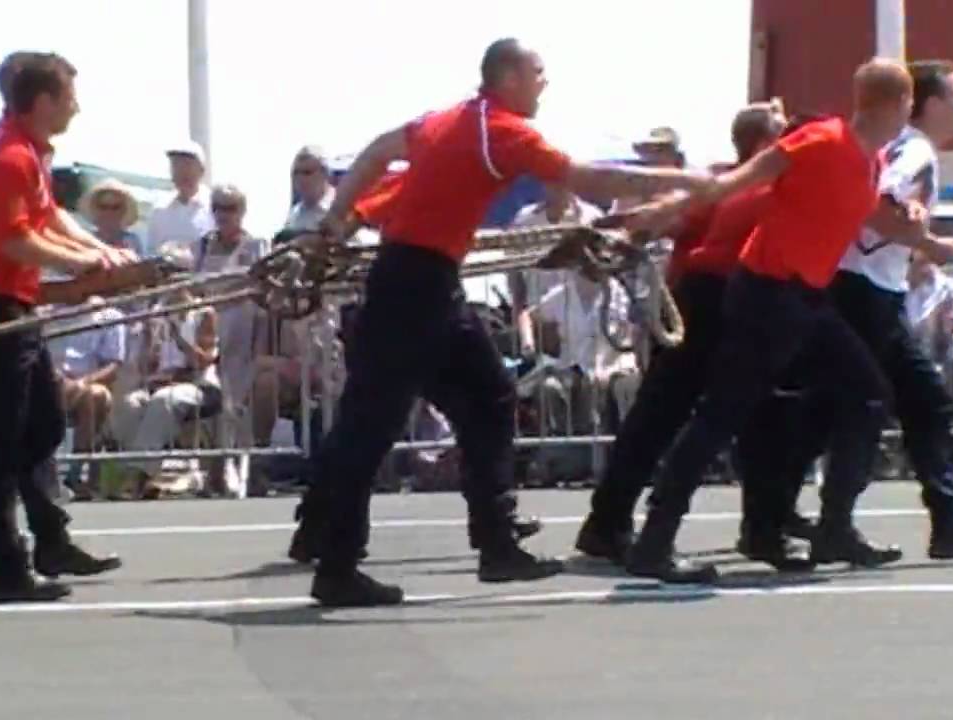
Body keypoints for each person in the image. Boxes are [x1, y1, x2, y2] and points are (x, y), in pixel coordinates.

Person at [296, 38, 715, 608]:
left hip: (424, 282)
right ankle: (338, 564)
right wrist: (686, 183)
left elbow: (375, 153)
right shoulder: (507, 131)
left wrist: (337, 220)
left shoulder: (446, 119)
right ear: (510, 77)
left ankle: (495, 542)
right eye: (539, 73)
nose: (546, 83)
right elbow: (586, 180)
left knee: (488, 396)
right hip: (414, 286)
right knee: (371, 426)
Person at [623, 58, 934, 583]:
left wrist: (927, 233)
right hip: (766, 294)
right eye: (906, 106)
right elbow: (734, 182)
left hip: (803, 299)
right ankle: (655, 541)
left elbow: (869, 215)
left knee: (866, 392)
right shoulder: (818, 141)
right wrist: (659, 213)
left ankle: (835, 526)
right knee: (722, 414)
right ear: (898, 105)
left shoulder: (871, 161)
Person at [771, 60, 953, 560]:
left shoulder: (892, 145)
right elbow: (879, 202)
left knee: (836, 407)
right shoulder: (916, 151)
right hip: (867, 291)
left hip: (858, 285)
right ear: (927, 104)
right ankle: (906, 522)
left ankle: (776, 514)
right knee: (900, 401)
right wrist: (930, 242)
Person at [0, 54, 126, 603]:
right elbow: (12, 241)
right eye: (69, 97)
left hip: (14, 305)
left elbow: (46, 215)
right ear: (42, 102)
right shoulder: (10, 154)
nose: (76, 107)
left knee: (39, 429)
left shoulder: (23, 149)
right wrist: (80, 265)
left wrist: (97, 248)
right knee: (4, 442)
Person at [576, 101, 817, 570]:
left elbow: (674, 219)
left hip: (706, 296)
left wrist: (633, 231)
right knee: (736, 412)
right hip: (721, 298)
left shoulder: (724, 182)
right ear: (763, 143)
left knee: (680, 414)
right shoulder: (754, 183)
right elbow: (676, 221)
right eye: (782, 130)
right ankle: (760, 526)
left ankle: (610, 522)